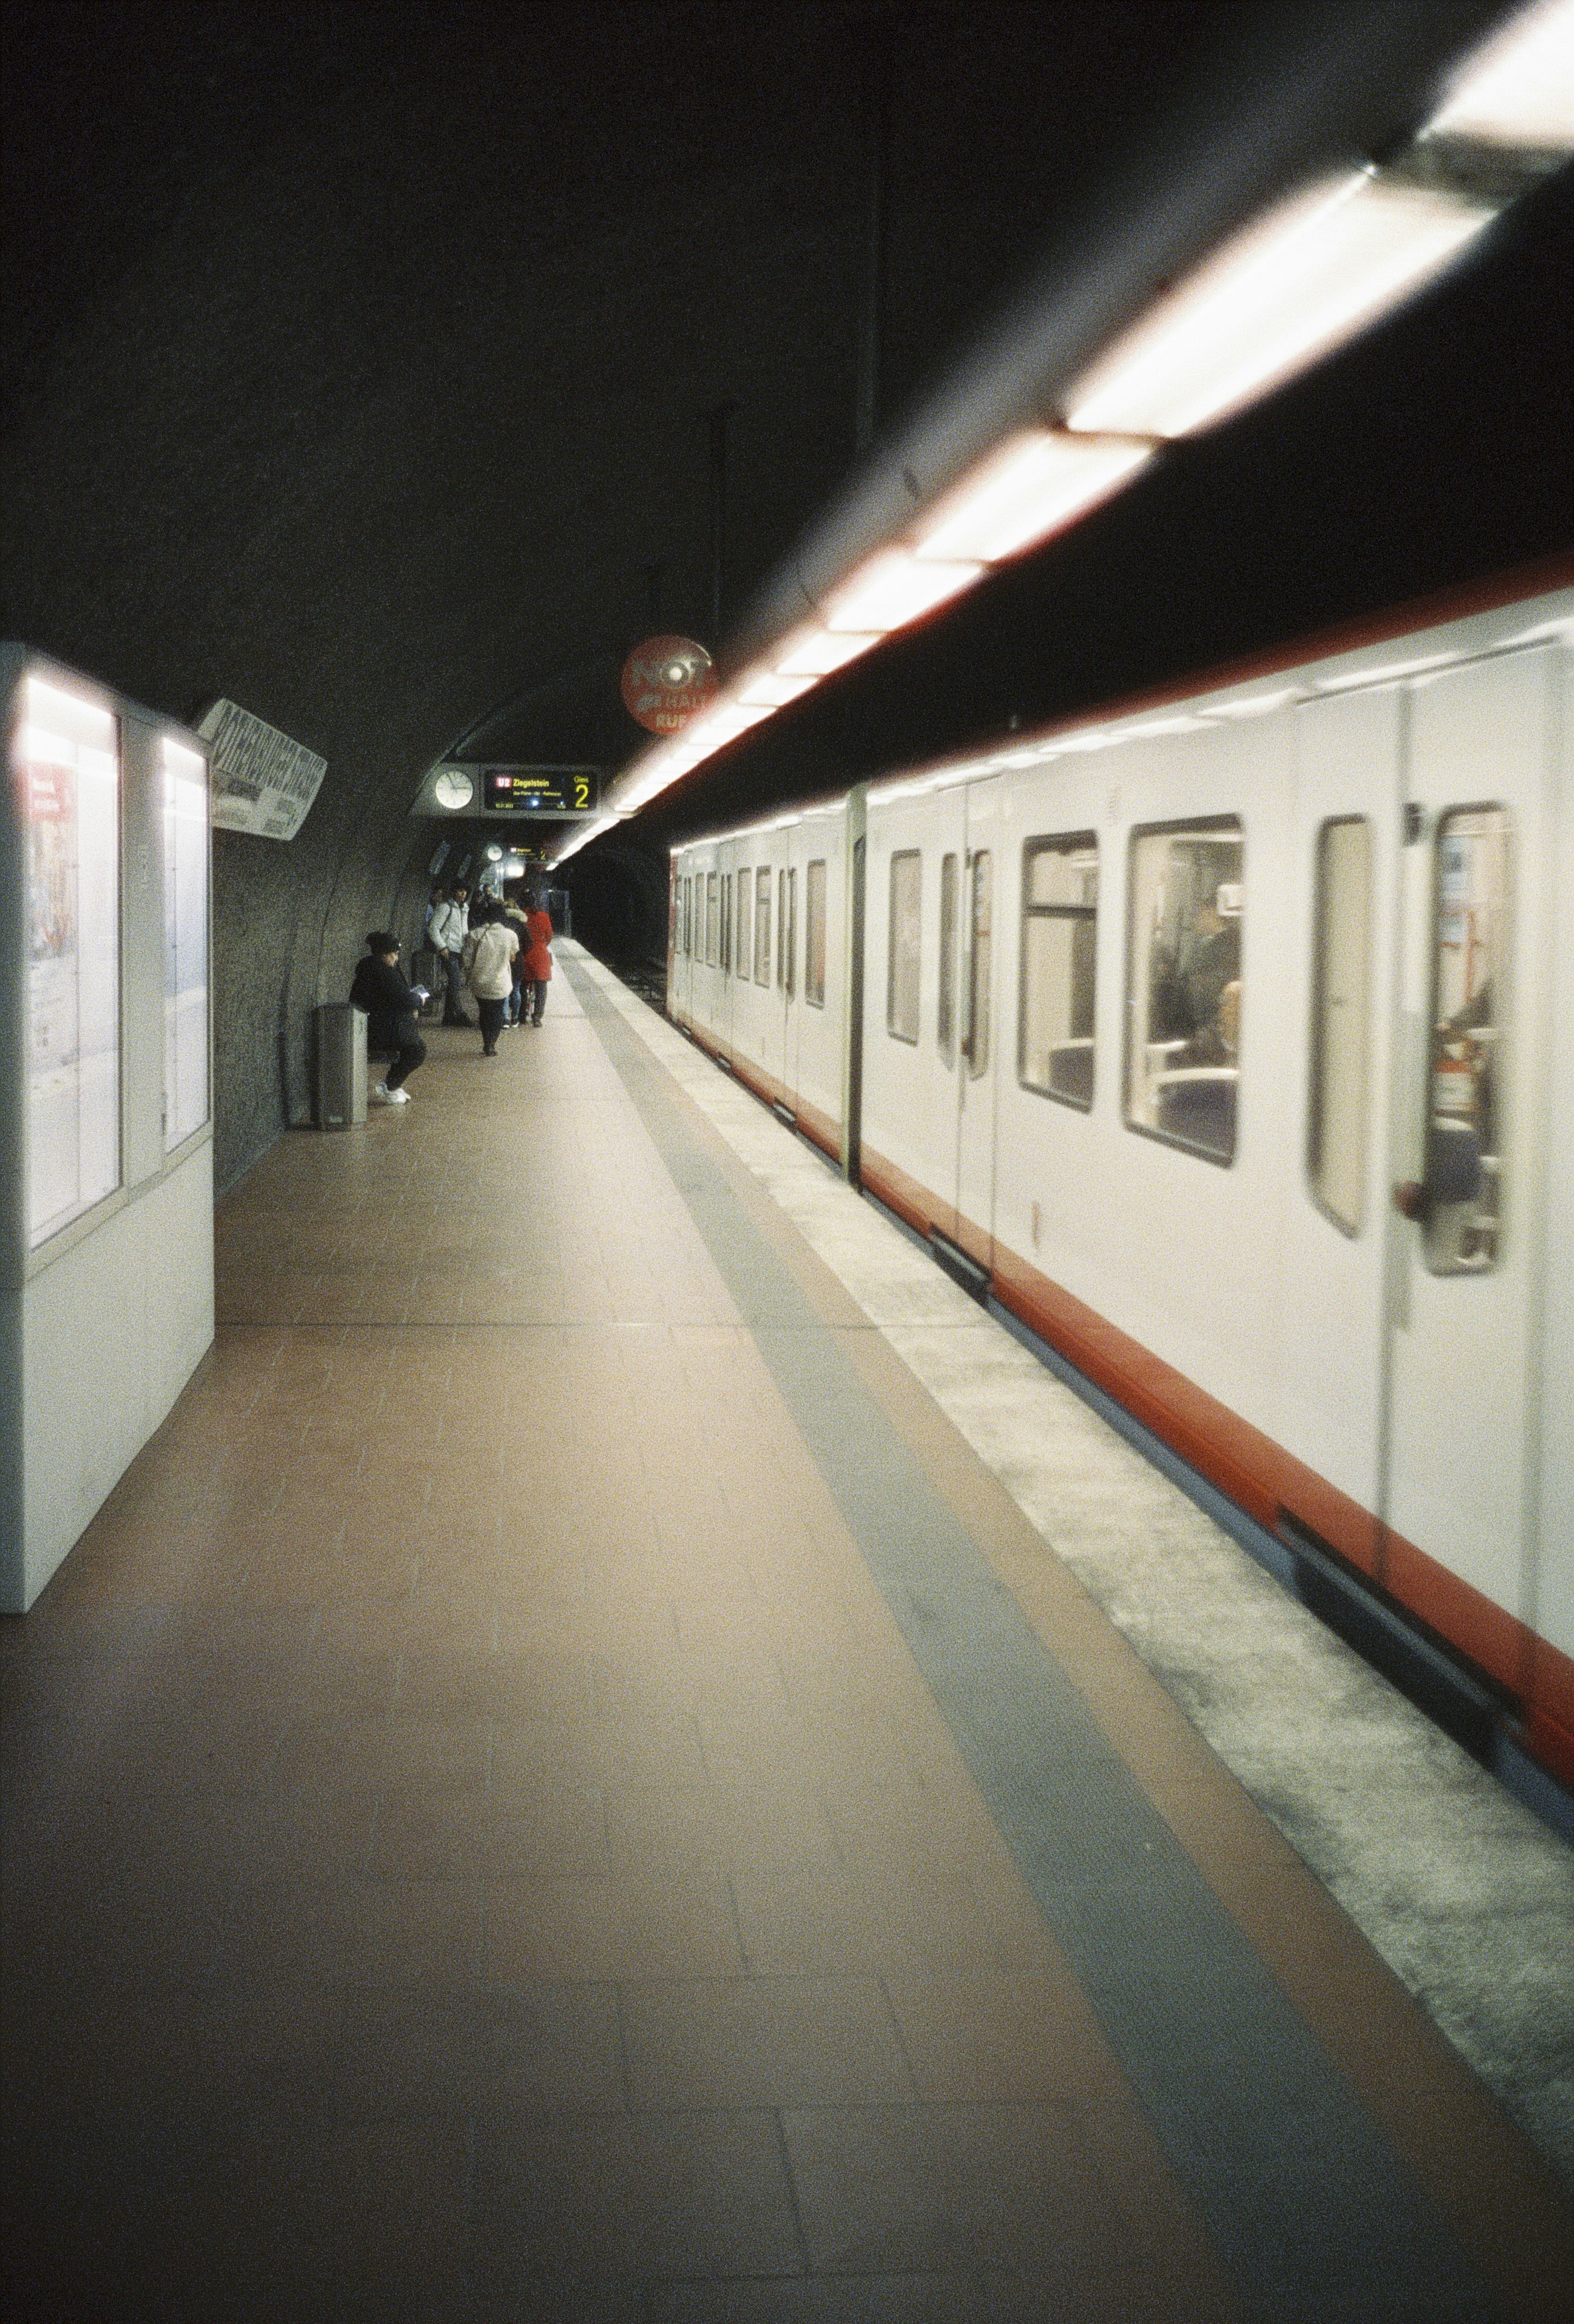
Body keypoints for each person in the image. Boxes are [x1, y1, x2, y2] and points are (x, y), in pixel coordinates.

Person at [349, 932, 427, 1106]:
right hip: (377, 1029)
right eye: (395, 954)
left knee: (414, 1044)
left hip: (376, 1023)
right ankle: (390, 1086)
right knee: (417, 1050)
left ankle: (393, 1084)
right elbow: (404, 999)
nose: (396, 958)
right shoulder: (382, 972)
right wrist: (419, 1001)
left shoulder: (372, 967)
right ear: (385, 954)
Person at [461, 898, 518, 1056]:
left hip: (480, 981)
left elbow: (467, 960)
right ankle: (491, 1043)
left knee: (484, 1012)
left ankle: (486, 1040)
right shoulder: (510, 935)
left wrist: (469, 975)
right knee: (498, 1012)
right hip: (500, 982)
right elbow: (513, 957)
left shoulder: (475, 935)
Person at [428, 882, 473, 1026]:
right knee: (455, 982)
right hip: (448, 950)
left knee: (453, 983)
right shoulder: (445, 908)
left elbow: (463, 930)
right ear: (453, 892)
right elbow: (433, 929)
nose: (463, 894)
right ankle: (459, 1014)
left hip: (459, 950)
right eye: (460, 890)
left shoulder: (464, 909)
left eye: (465, 891)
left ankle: (448, 1017)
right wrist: (442, 947)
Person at [522, 896, 554, 1025]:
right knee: (541, 987)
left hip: (525, 954)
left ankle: (522, 1014)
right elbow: (549, 936)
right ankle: (537, 1017)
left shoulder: (522, 917)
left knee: (523, 986)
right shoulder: (544, 916)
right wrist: (542, 945)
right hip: (541, 955)